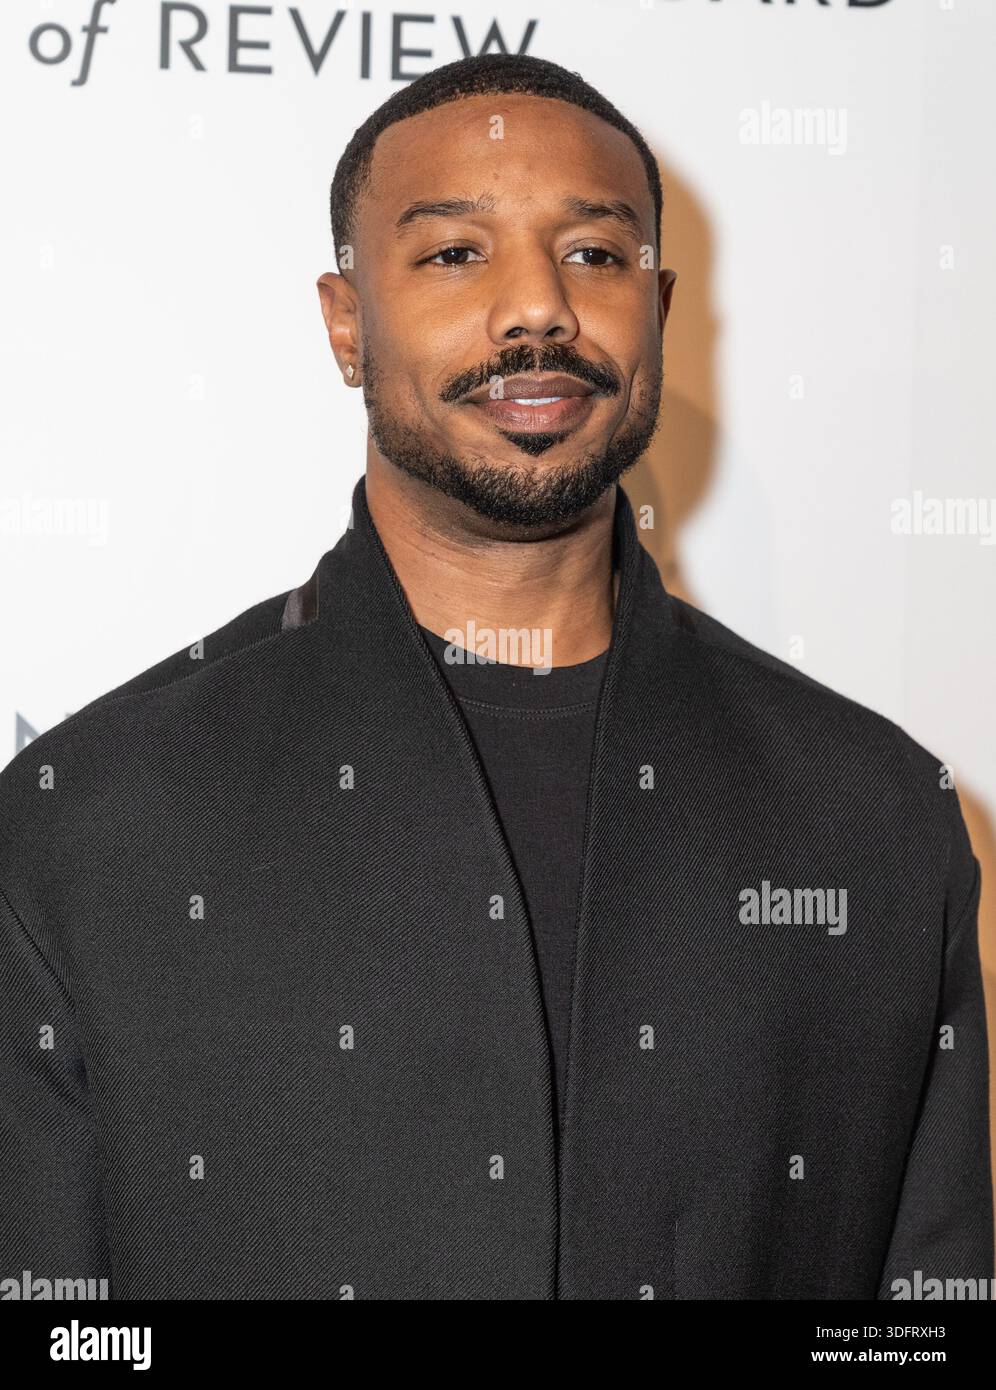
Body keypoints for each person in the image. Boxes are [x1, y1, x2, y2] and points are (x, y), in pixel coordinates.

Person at [0, 52, 990, 1302]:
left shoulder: (876, 818)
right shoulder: (87, 821)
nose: (539, 310)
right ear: (345, 320)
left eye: (594, 254)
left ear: (661, 309)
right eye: (455, 253)